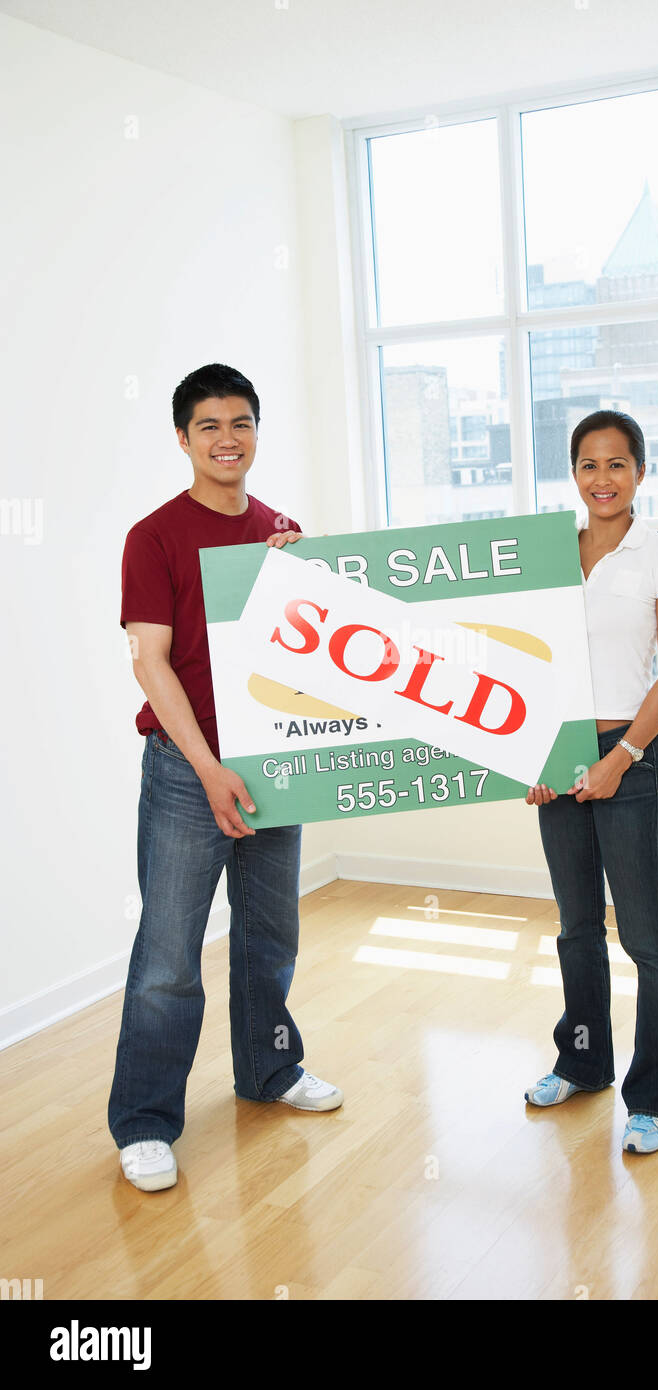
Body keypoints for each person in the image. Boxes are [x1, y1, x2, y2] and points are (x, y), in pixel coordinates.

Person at [109, 363, 342, 1193]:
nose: (226, 438)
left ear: (255, 432)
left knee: (270, 936)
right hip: (186, 770)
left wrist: (310, 574)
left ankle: (270, 1072)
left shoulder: (281, 528)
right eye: (209, 426)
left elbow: (314, 651)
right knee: (170, 952)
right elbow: (151, 663)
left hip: (276, 760)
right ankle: (143, 1123)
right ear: (183, 438)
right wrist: (208, 769)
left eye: (240, 422)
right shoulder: (155, 536)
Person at [524, 409, 658, 1154]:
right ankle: (584, 1061)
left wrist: (619, 758)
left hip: (631, 759)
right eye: (589, 465)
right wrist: (530, 756)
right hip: (558, 759)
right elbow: (522, 665)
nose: (603, 478)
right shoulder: (546, 556)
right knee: (574, 928)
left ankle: (655, 1095)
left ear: (640, 472)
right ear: (574, 474)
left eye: (618, 464)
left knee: (646, 937)